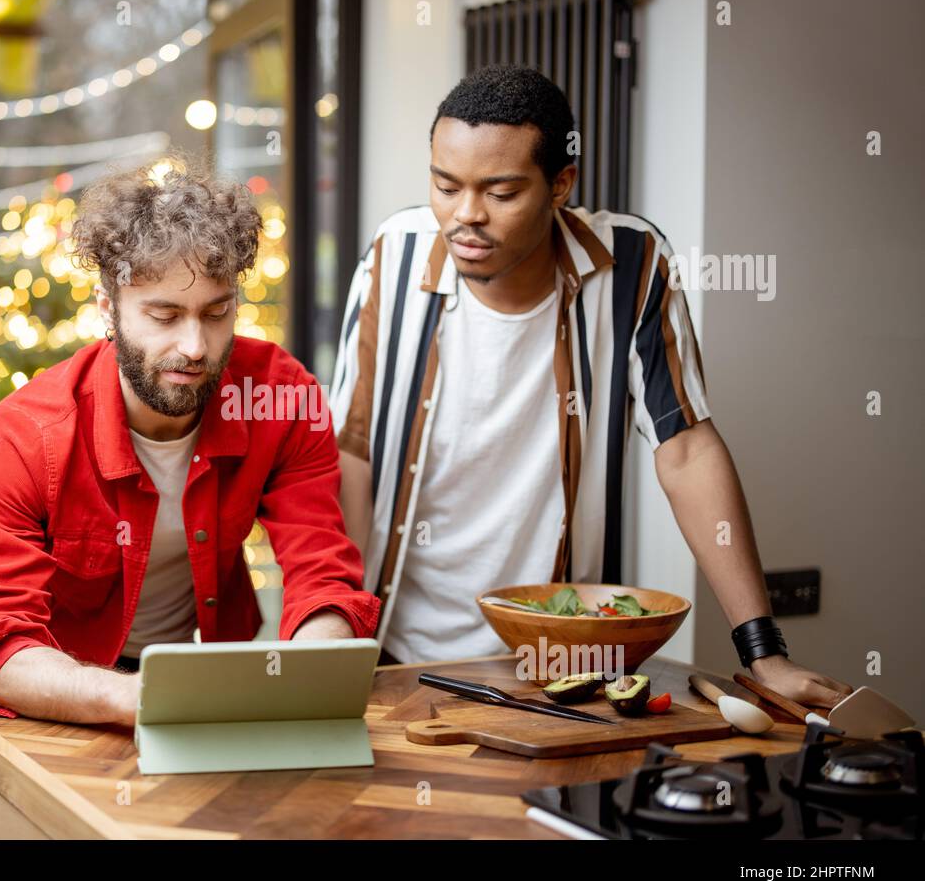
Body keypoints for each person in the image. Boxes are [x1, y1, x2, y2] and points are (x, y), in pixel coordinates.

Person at [328, 65, 851, 708]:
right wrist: (341, 634)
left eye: (500, 191)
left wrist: (763, 653)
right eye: (445, 185)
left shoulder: (632, 262)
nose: (465, 216)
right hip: (397, 655)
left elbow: (686, 449)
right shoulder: (395, 252)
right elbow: (350, 449)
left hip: (561, 663)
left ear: (560, 185)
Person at [0, 162, 379, 726]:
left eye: (216, 313)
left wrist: (314, 680)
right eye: (164, 315)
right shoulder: (25, 436)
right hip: (61, 692)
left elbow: (322, 571)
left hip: (206, 672)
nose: (195, 347)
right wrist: (129, 696)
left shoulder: (279, 396)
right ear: (107, 308)